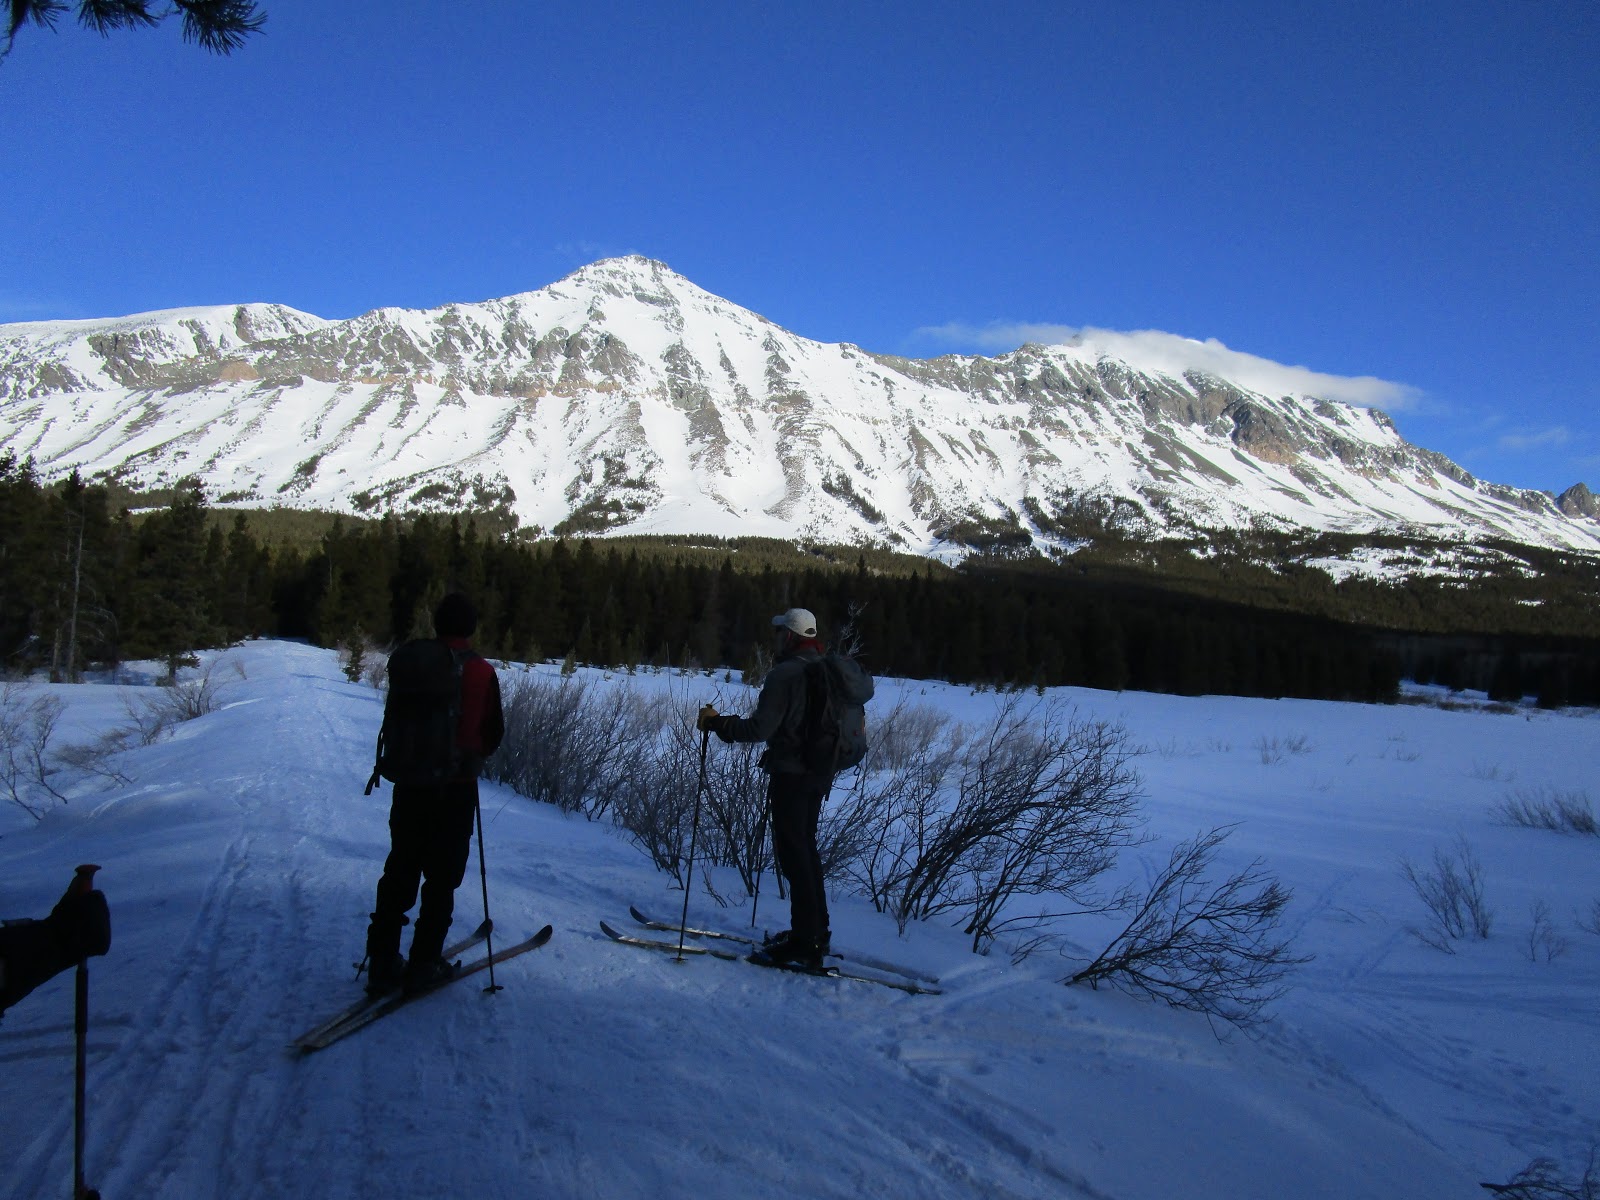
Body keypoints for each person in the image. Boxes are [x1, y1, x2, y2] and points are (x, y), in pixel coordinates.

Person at [365, 592, 504, 993]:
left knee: (400, 869)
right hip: (455, 790)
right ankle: (424, 963)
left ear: (437, 623)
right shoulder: (481, 672)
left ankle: (382, 962)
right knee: (441, 880)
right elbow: (493, 734)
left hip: (410, 784)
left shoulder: (413, 663)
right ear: (471, 627)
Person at [698, 607, 838, 970]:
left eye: (780, 633)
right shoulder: (825, 668)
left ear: (790, 636)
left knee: (795, 856)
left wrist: (718, 724)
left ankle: (805, 943)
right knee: (806, 851)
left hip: (792, 774)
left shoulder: (786, 674)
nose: (776, 638)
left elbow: (759, 729)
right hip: (819, 772)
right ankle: (815, 933)